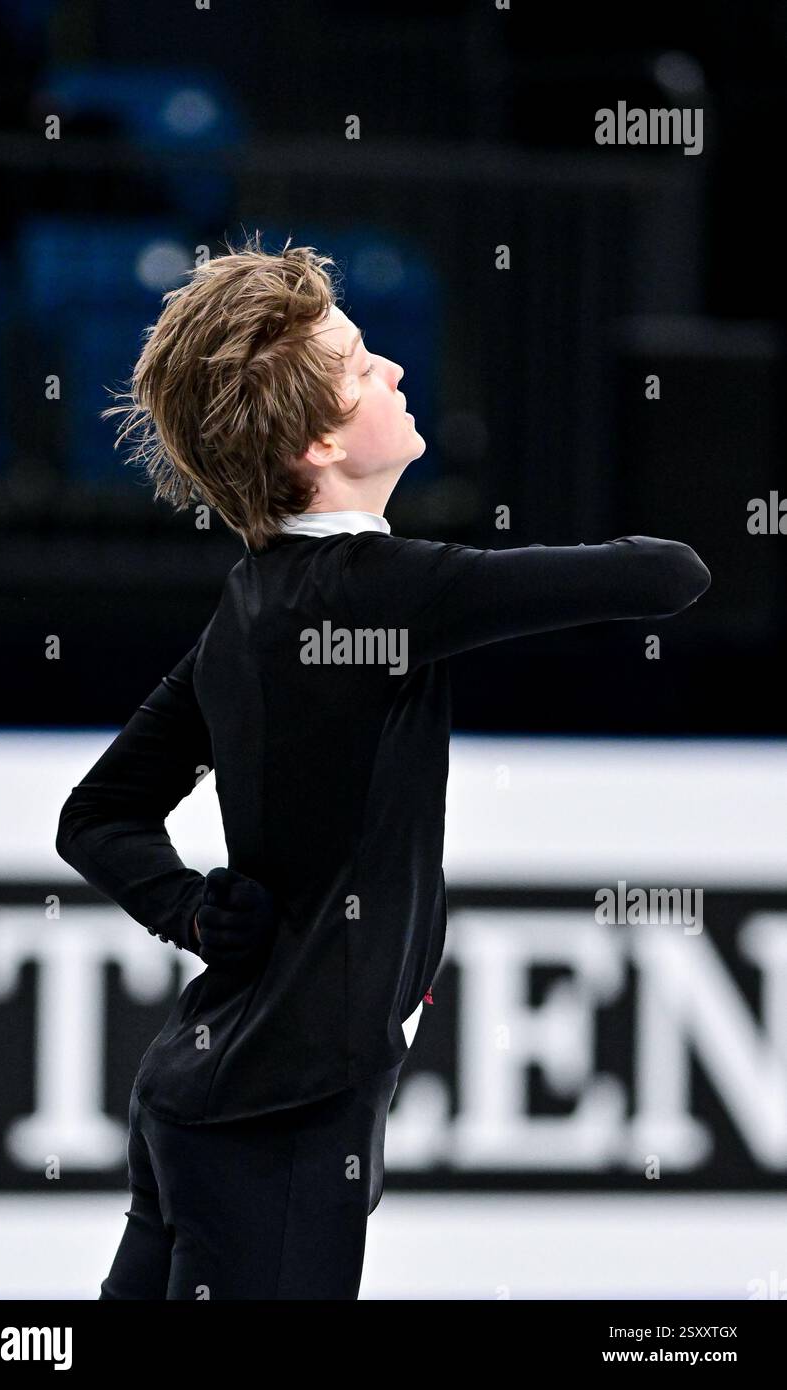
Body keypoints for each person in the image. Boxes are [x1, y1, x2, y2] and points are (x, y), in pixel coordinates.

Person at [55, 233, 711, 1300]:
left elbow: (98, 815)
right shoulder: (379, 589)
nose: (394, 371)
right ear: (317, 440)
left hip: (203, 1092)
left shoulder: (250, 605)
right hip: (284, 1112)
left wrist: (190, 909)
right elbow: (666, 574)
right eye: (359, 365)